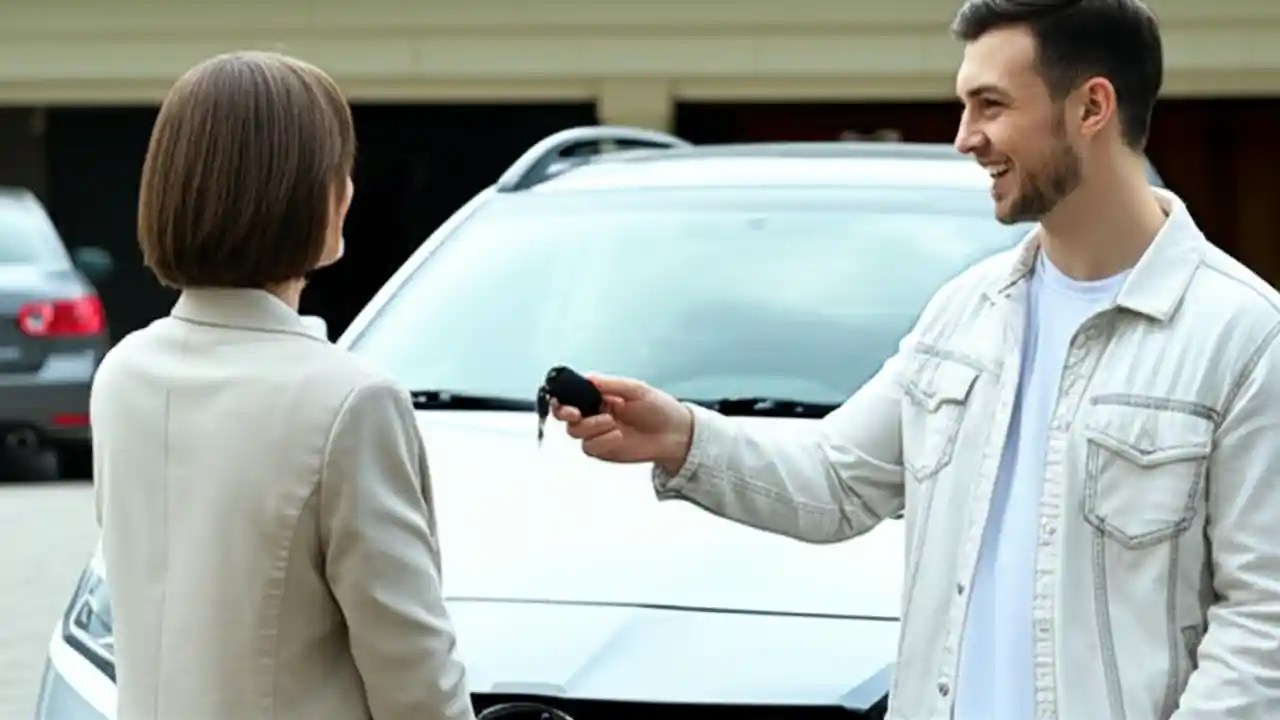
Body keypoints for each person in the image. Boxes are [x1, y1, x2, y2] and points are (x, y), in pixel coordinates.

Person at [553, 1, 1280, 718]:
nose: (965, 138)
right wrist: (683, 436)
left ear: (1091, 107)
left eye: (991, 105)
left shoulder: (1243, 337)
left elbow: (1262, 622)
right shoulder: (965, 314)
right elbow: (837, 479)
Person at [89, 51, 475, 720]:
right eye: (338, 169)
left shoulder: (125, 373)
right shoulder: (350, 400)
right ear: (314, 196)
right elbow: (412, 672)